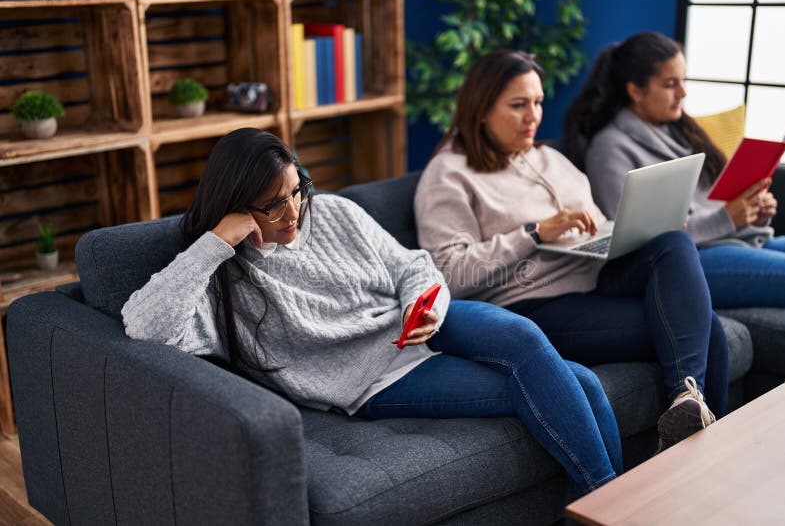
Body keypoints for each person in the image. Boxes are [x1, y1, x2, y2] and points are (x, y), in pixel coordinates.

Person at [121, 127, 623, 495]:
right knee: (579, 384)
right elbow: (143, 326)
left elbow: (413, 265)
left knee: (530, 340)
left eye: (296, 191)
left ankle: (608, 507)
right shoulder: (219, 284)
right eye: (271, 206)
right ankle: (608, 504)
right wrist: (216, 243)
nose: (293, 212)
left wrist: (421, 304)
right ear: (234, 208)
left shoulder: (333, 212)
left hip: (418, 326)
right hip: (375, 381)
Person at [414, 50, 729, 452]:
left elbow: (595, 221)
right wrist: (535, 232)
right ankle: (694, 437)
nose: (533, 117)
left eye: (538, 102)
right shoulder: (448, 175)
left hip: (596, 274)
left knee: (673, 242)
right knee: (710, 333)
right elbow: (449, 274)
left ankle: (688, 404)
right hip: (535, 303)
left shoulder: (549, 158)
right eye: (518, 105)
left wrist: (636, 229)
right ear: (480, 110)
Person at [564, 31, 785, 310]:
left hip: (734, 242)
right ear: (635, 91)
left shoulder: (681, 132)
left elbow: (709, 206)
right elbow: (634, 241)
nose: (683, 93)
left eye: (683, 81)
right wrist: (727, 219)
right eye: (670, 84)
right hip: (691, 261)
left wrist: (752, 213)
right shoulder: (609, 148)